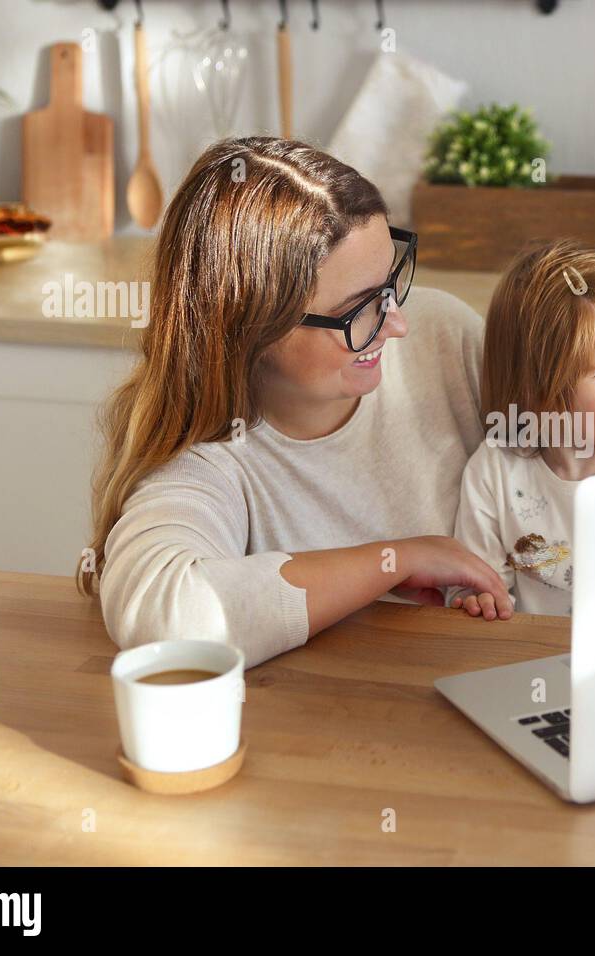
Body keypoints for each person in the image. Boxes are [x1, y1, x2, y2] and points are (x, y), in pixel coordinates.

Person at [79, 137, 513, 668]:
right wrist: (396, 561)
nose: (397, 323)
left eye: (391, 282)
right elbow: (165, 614)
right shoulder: (211, 456)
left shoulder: (443, 335)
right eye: (359, 309)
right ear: (253, 327)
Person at [448, 239, 595, 618]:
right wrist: (477, 599)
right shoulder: (493, 471)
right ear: (537, 386)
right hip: (529, 662)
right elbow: (475, 585)